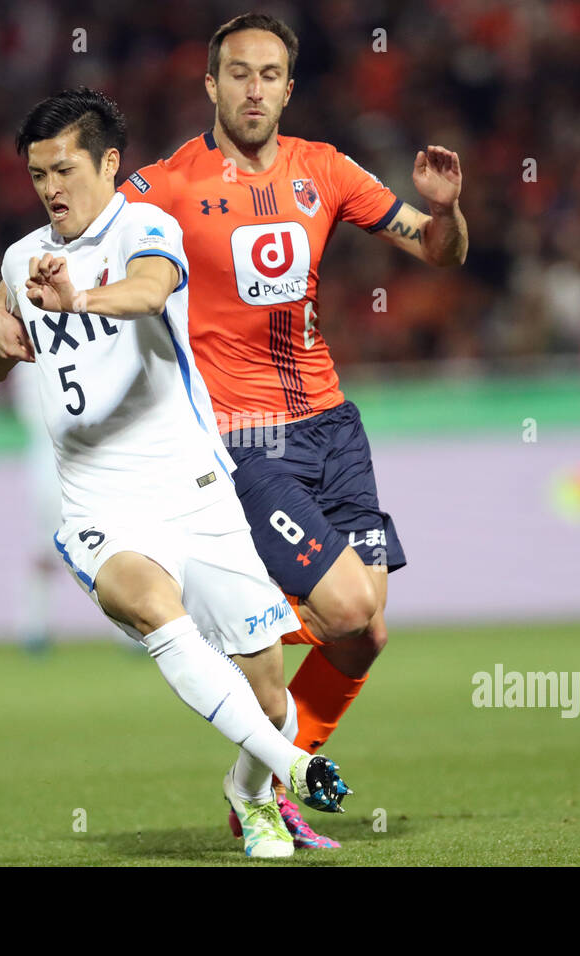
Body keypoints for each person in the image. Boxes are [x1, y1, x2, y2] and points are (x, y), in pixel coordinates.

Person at [0, 88, 352, 858]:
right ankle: (295, 769)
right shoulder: (21, 255)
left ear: (110, 163)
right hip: (99, 503)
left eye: (64, 169)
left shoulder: (145, 226)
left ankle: (251, 790)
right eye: (37, 174)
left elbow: (150, 289)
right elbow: (7, 316)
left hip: (195, 492)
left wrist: (83, 297)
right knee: (149, 607)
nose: (49, 189)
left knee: (269, 695)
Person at [118, 13, 468, 848]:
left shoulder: (326, 168)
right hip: (245, 440)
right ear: (210, 84)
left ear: (288, 87)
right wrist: (8, 297)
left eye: (269, 74)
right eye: (237, 73)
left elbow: (439, 253)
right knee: (344, 604)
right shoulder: (165, 183)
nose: (253, 89)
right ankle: (231, 605)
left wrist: (445, 212)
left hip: (334, 426)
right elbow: (73, 224)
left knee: (366, 634)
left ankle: (260, 786)